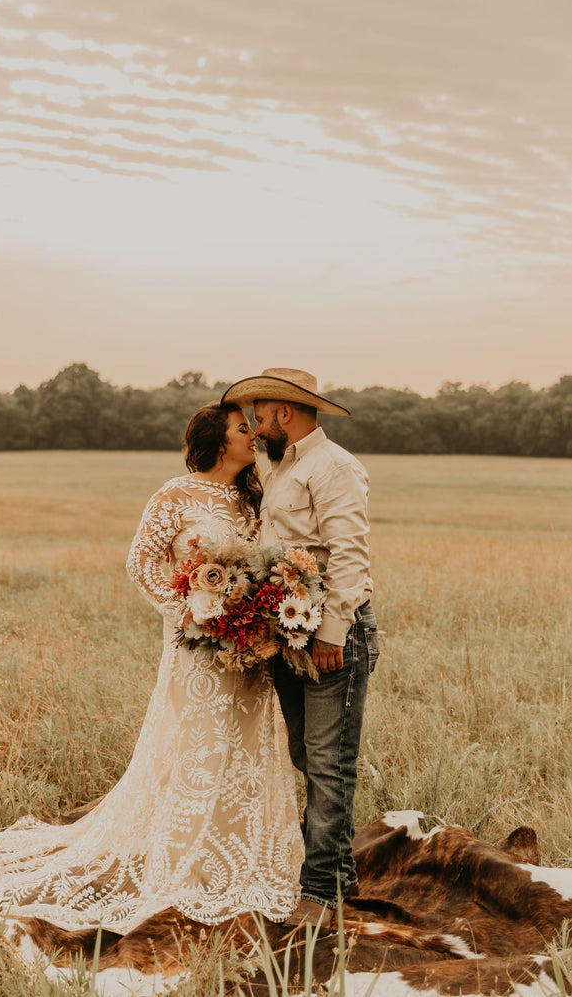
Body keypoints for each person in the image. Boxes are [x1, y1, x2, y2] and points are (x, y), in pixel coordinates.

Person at [0, 402, 303, 948]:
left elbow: (265, 563)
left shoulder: (256, 498)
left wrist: (257, 614)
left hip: (248, 648)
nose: (254, 435)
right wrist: (191, 611)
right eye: (243, 427)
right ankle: (183, 858)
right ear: (216, 439)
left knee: (245, 745)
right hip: (197, 646)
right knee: (197, 741)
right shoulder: (173, 496)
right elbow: (141, 561)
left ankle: (238, 849)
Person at [221, 368, 380, 928]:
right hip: (292, 634)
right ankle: (339, 874)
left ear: (285, 413)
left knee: (330, 765)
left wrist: (334, 632)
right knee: (307, 758)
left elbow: (349, 554)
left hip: (334, 634)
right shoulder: (285, 467)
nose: (255, 428)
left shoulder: (334, 467)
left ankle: (321, 895)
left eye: (260, 417)